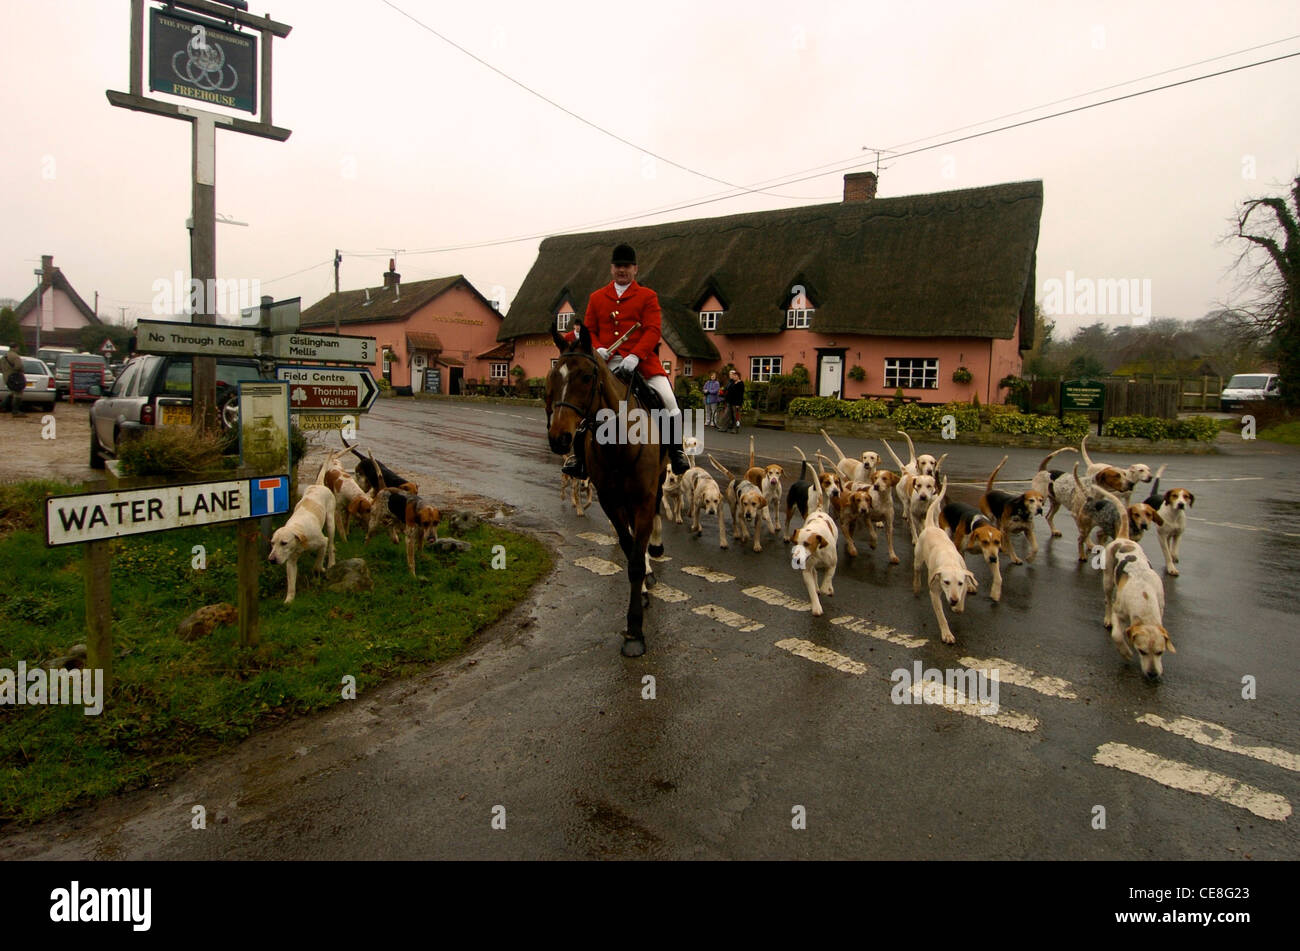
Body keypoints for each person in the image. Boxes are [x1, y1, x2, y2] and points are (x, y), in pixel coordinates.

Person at [562, 243, 690, 478]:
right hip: (607, 362)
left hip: (642, 362)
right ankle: (578, 458)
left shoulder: (647, 296)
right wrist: (598, 348)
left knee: (670, 403)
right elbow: (589, 328)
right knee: (585, 401)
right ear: (611, 269)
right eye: (618, 266)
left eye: (627, 266)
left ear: (635, 269)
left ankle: (676, 451)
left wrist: (635, 355)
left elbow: (653, 329)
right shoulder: (597, 297)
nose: (622, 270)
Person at [2, 343, 26, 416]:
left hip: (6, 377)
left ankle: (2, 406)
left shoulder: (4, 356)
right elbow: (18, 367)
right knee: (18, 394)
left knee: (13, 392)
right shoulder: (15, 356)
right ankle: (15, 411)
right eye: (18, 348)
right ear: (15, 348)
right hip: (15, 378)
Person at [722, 368, 745, 432]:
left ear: (738, 377)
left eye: (735, 376)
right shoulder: (733, 383)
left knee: (736, 417)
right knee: (727, 415)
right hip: (730, 401)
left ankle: (735, 429)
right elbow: (729, 391)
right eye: (733, 376)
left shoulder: (741, 383)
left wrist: (738, 404)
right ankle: (724, 428)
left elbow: (740, 395)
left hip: (736, 402)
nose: (734, 377)